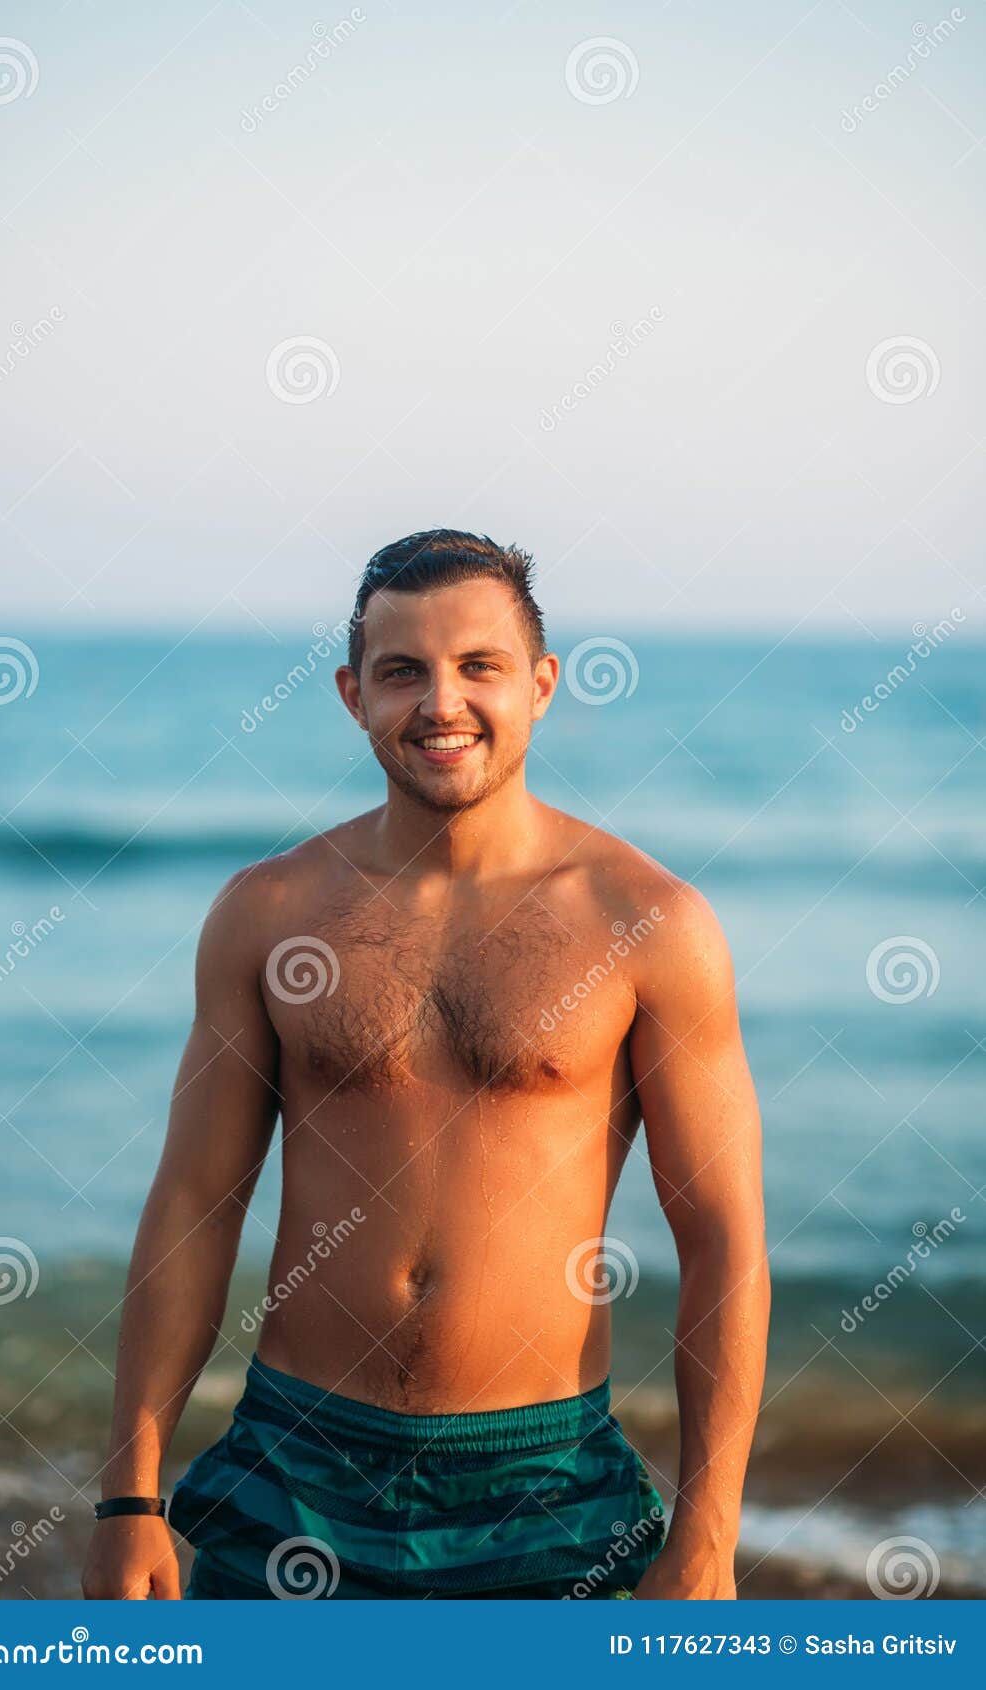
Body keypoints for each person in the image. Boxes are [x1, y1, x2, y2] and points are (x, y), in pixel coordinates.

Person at [81, 529, 769, 1600]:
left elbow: (721, 1237)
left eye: (477, 666)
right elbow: (194, 1202)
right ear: (354, 694)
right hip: (295, 1465)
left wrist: (708, 1534)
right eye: (402, 671)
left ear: (540, 685)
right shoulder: (269, 915)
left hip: (542, 1482)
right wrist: (130, 1496)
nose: (439, 703)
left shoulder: (647, 923)